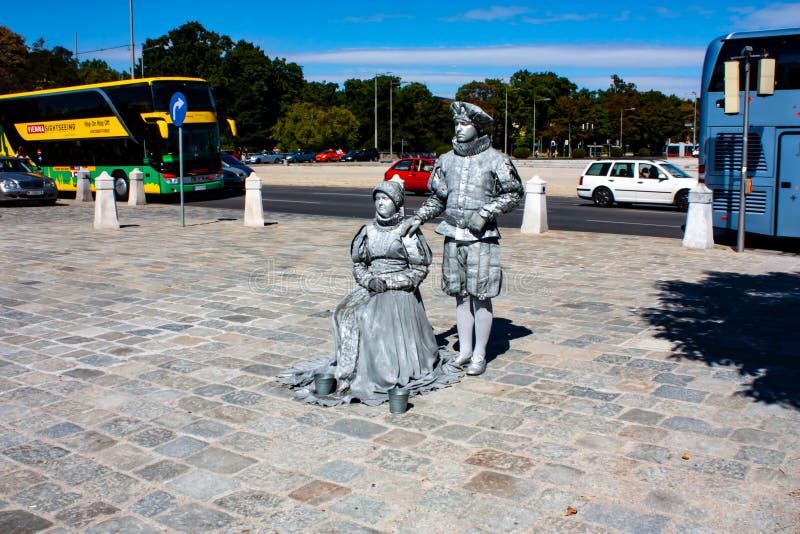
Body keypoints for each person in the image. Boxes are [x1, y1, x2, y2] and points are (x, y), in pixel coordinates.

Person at [278, 180, 461, 405]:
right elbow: (359, 265)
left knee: (369, 316)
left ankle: (380, 370)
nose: (381, 203)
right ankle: (350, 369)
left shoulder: (407, 231)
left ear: (397, 203)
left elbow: (419, 269)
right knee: (343, 312)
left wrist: (391, 282)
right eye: (378, 199)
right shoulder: (368, 231)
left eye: (386, 199)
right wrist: (369, 280)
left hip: (400, 289)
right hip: (372, 285)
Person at [401, 102, 523, 376]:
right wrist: (418, 218)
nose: (459, 128)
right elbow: (439, 198)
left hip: (482, 238)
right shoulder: (446, 160)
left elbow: (514, 193)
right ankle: (465, 350)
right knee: (460, 295)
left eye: (465, 124)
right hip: (453, 235)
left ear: (478, 128)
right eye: (456, 123)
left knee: (481, 295)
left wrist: (486, 212)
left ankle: (480, 354)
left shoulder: (496, 160)